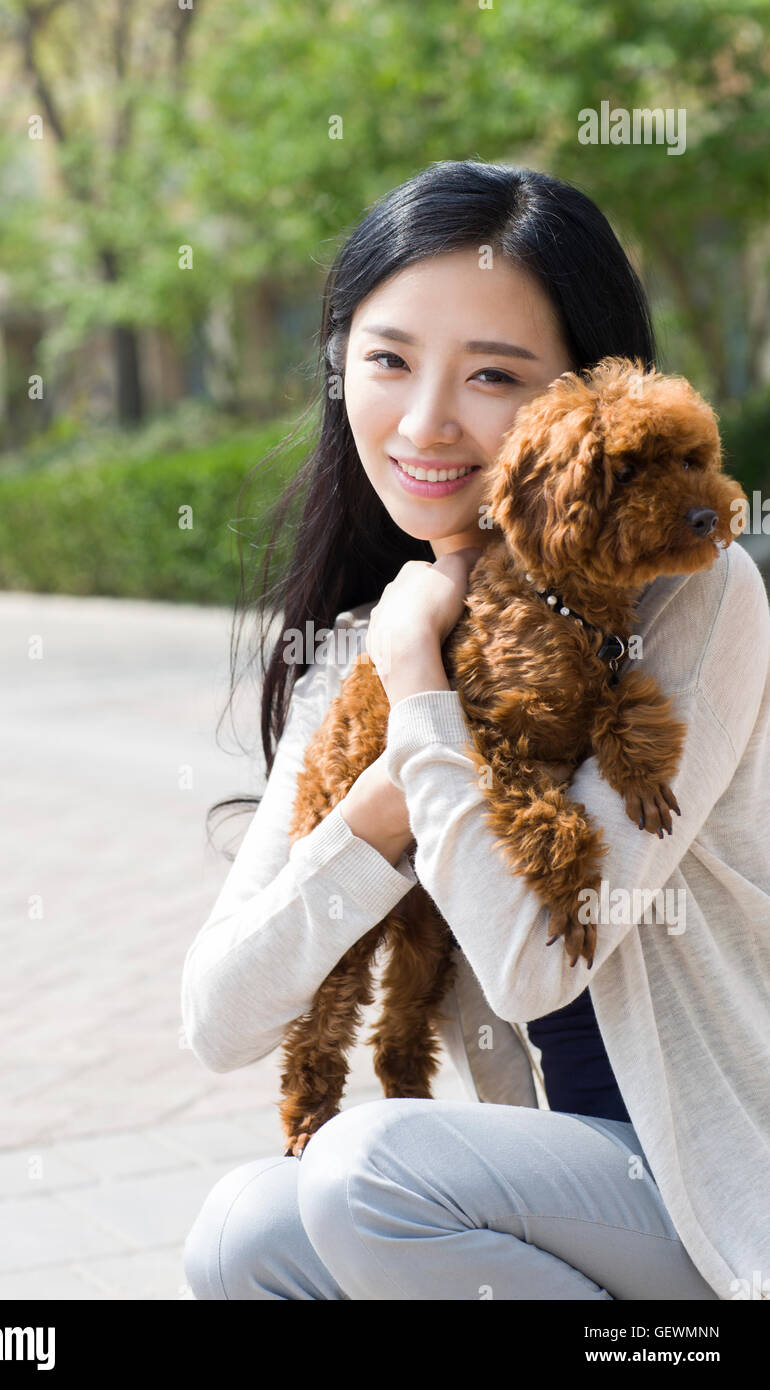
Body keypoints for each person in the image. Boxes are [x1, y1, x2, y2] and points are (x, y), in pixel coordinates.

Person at [180, 160, 770, 1300]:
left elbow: (532, 960)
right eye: (387, 359)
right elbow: (218, 1016)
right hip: (573, 1195)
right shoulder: (364, 646)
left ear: (584, 400)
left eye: (492, 375)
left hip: (720, 1195)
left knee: (373, 1173)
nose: (425, 421)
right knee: (240, 1231)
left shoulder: (692, 602)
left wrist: (417, 692)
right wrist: (382, 796)